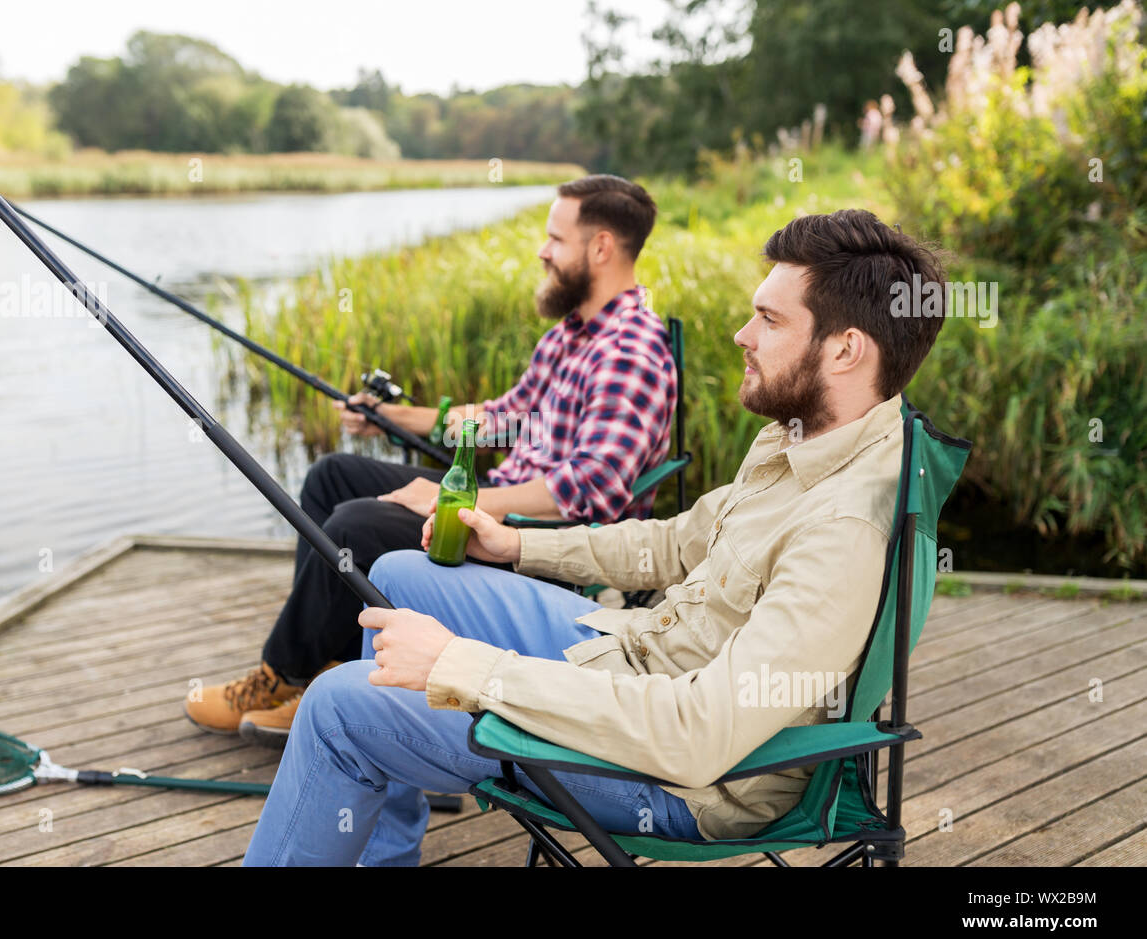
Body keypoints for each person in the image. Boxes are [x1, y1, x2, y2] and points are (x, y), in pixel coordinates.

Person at [241, 208, 949, 866]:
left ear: (846, 350)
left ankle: (364, 757)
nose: (742, 333)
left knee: (337, 706)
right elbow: (675, 545)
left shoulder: (844, 528)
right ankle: (381, 845)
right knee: (398, 572)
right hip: (637, 654)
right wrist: (518, 545)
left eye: (768, 318)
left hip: (675, 780)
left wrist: (466, 665)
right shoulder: (802, 441)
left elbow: (699, 735)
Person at [185, 175, 678, 745]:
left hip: (530, 540)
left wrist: (456, 500)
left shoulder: (629, 350)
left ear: (600, 248)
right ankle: (328, 671)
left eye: (555, 239)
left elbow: (591, 489)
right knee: (332, 475)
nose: (542, 251)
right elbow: (503, 417)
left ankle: (282, 675)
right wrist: (394, 417)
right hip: (495, 506)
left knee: (354, 525)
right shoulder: (574, 335)